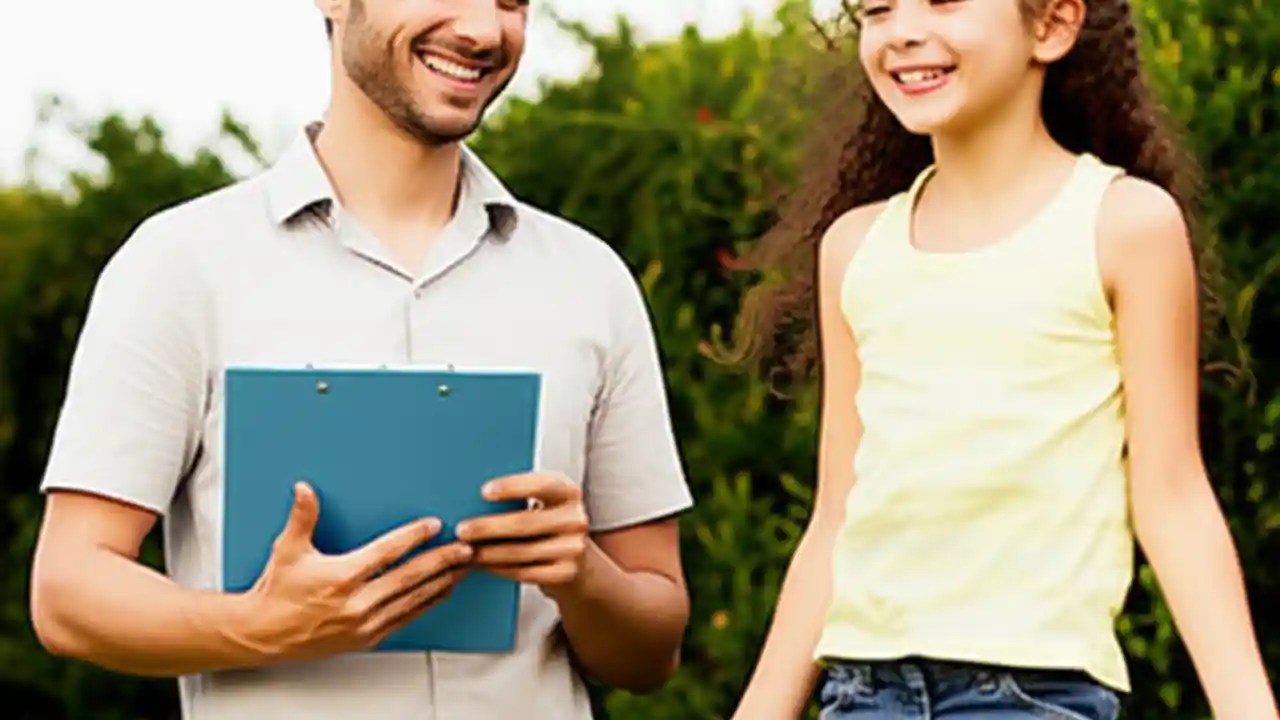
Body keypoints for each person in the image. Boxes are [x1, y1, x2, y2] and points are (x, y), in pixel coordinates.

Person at [28, 2, 694, 718]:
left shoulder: (589, 280)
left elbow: (652, 651)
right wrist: (263, 625)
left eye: (511, 2)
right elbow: (69, 594)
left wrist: (582, 577)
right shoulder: (180, 265)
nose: (483, 31)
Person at [718, 0, 1278, 718]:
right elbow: (837, 518)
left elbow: (1171, 496)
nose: (904, 30)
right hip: (863, 695)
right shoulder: (855, 249)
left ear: (1051, 25)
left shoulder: (1124, 226)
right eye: (878, 9)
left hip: (1030, 696)